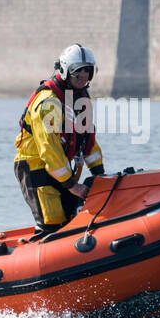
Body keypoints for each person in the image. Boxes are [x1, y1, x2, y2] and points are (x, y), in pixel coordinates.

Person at [14, 44, 107, 235]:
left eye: (87, 74)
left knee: (71, 220)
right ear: (65, 71)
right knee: (52, 222)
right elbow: (49, 148)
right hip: (35, 167)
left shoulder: (82, 98)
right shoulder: (48, 102)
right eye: (78, 74)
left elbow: (88, 141)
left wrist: (100, 174)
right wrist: (71, 185)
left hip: (61, 169)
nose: (83, 79)